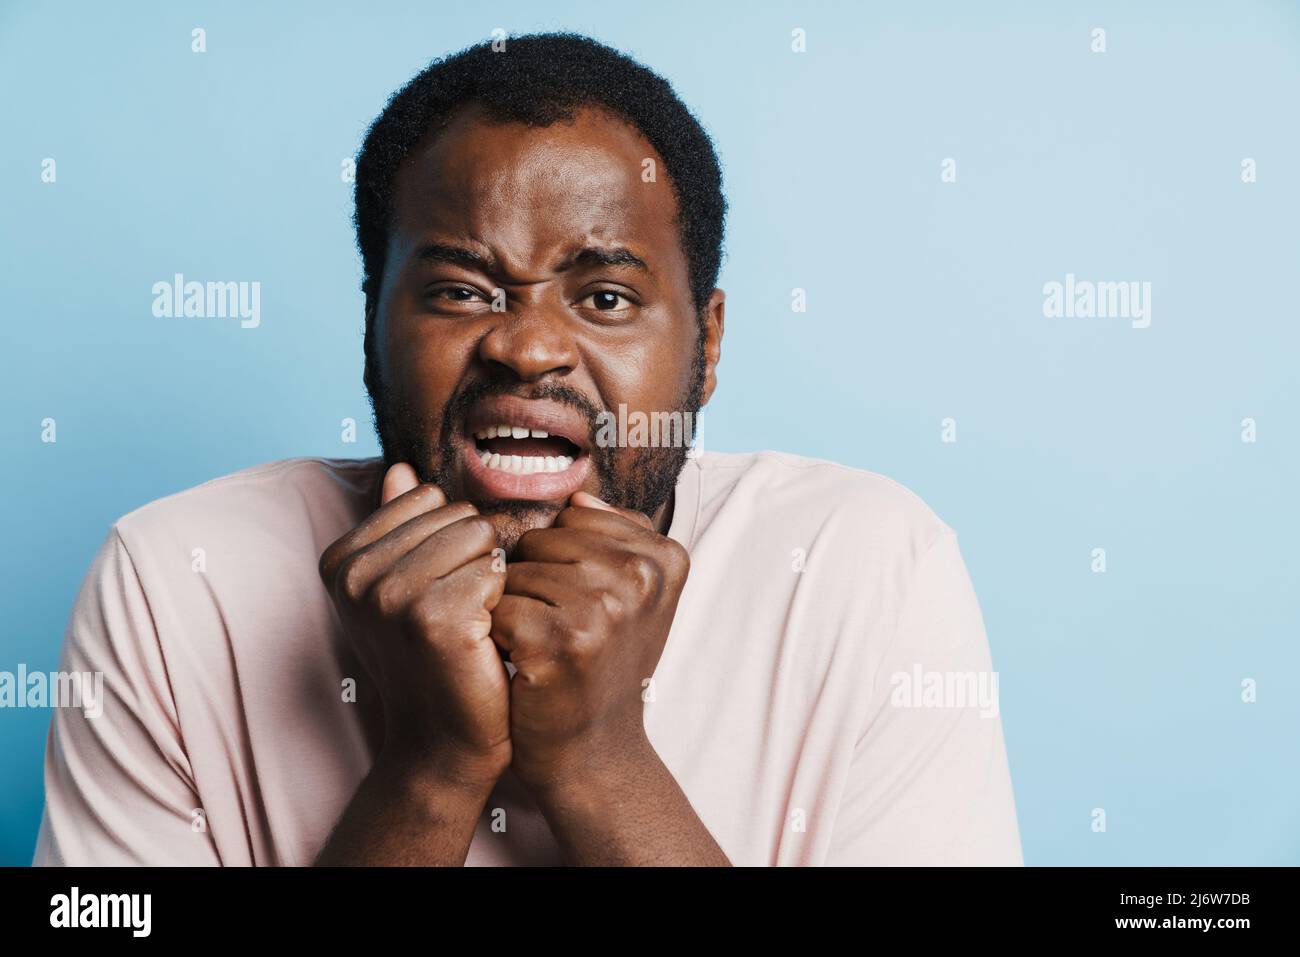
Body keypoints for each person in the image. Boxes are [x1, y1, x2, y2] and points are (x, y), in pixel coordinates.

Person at [34, 32, 1021, 866]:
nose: (529, 347)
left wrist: (599, 759)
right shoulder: (178, 580)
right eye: (463, 291)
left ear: (707, 345)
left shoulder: (864, 566)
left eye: (603, 298)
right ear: (370, 327)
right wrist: (430, 768)